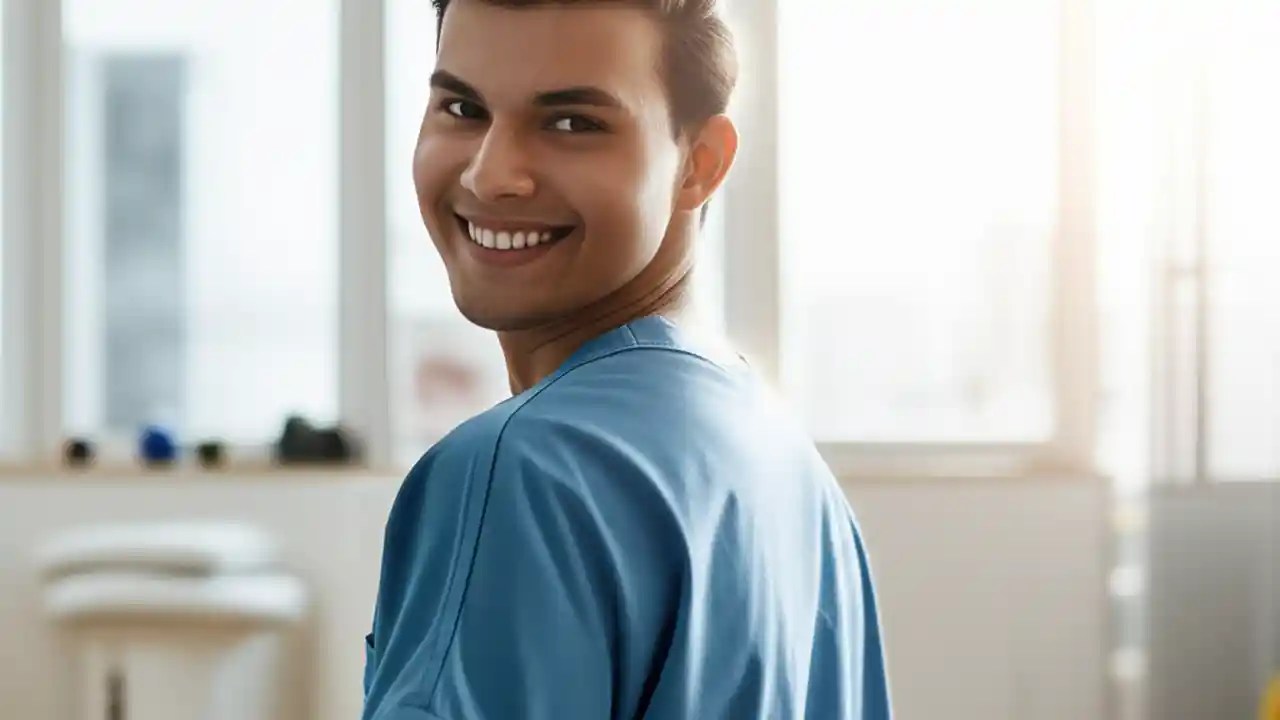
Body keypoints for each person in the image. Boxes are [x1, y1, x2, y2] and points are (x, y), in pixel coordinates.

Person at [362, 1, 891, 717]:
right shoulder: (783, 460)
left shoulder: (526, 467)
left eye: (572, 123)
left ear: (700, 163)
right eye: (464, 108)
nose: (491, 176)